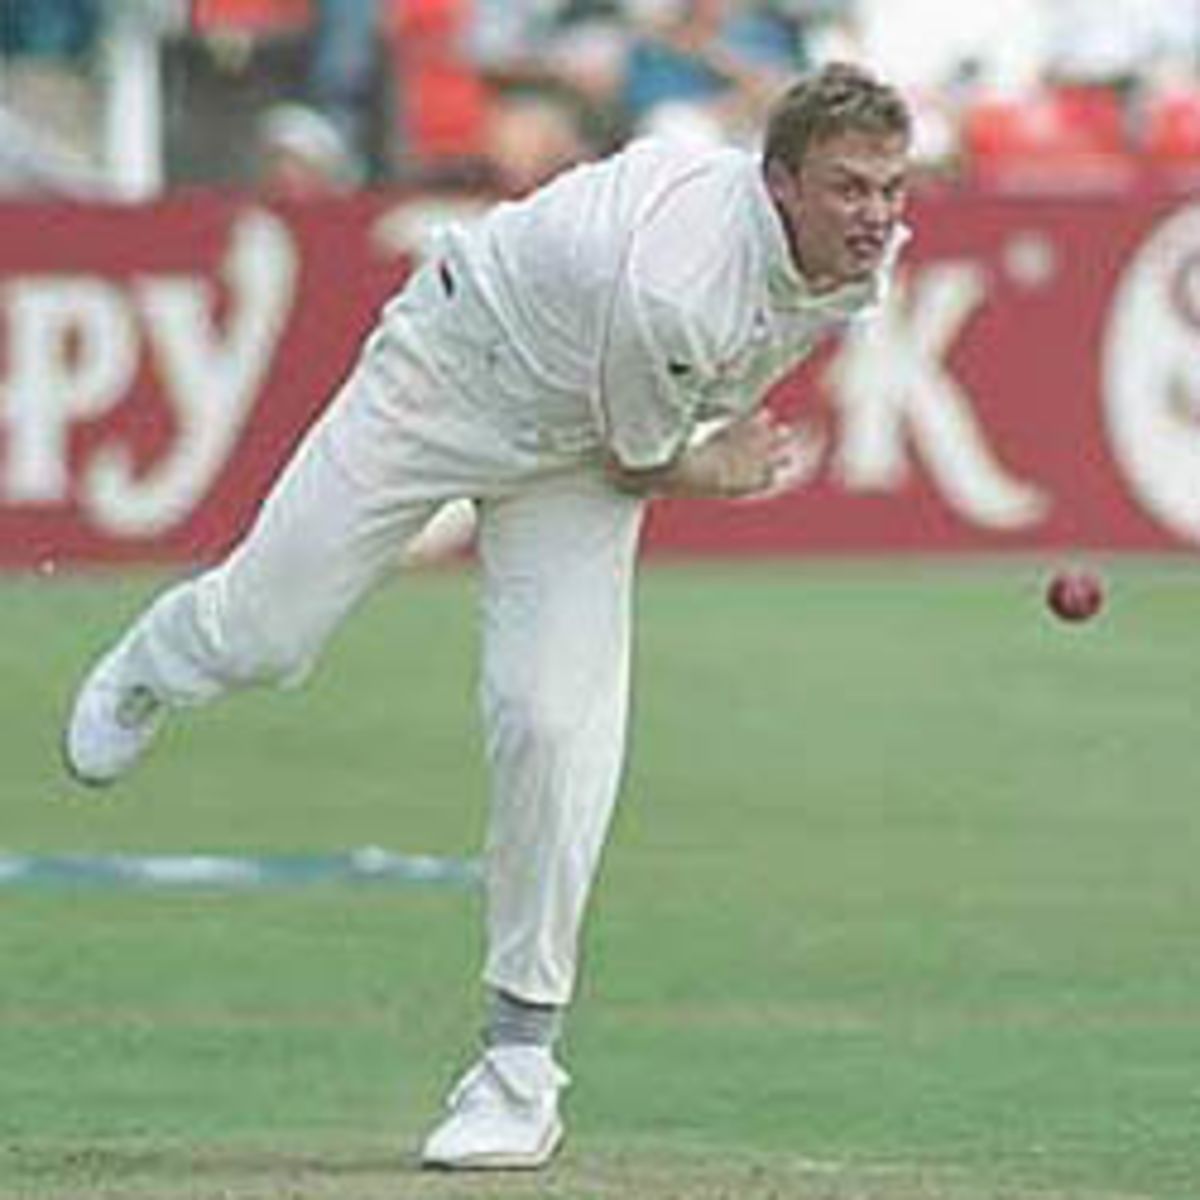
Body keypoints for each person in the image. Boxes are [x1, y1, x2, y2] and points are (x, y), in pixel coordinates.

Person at [63, 61, 912, 1171]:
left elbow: (621, 444)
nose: (877, 214)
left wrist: (703, 431)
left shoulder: (862, 256)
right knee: (267, 636)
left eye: (891, 187)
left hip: (579, 446)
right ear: (779, 185)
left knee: (555, 725)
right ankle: (163, 657)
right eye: (849, 188)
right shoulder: (674, 279)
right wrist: (727, 466)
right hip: (454, 372)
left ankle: (518, 1070)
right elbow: (643, 457)